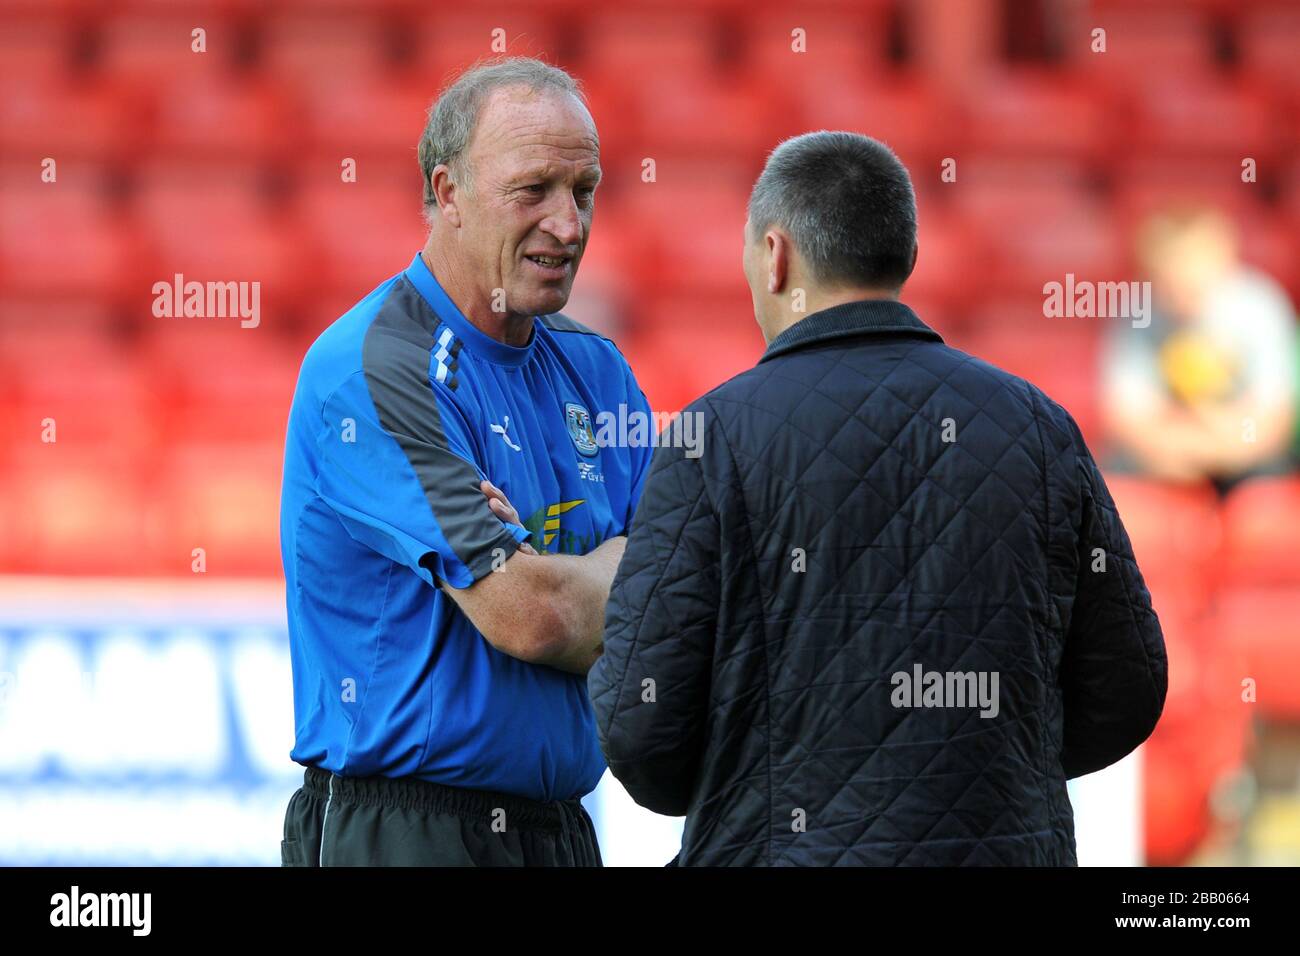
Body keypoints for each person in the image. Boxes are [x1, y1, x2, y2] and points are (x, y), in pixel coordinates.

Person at [589, 131, 1168, 866]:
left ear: (775, 257)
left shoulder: (712, 440)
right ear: (907, 256)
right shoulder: (1040, 427)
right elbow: (1127, 686)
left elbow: (643, 731)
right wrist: (997, 777)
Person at [278, 58, 652, 866]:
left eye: (583, 190)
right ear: (447, 193)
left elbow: (676, 606)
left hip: (563, 827)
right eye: (534, 191)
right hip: (404, 831)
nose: (570, 224)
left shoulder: (599, 371)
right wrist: (614, 565)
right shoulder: (378, 369)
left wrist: (575, 578)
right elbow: (533, 617)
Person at [1102, 205, 1297, 494]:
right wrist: (1179, 453)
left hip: (1245, 460)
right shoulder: (1136, 314)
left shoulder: (1262, 307)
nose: (1183, 295)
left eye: (1193, 280)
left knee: (1270, 485)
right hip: (1165, 457)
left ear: (1225, 262)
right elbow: (1128, 420)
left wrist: (1219, 451)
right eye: (1171, 284)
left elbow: (1273, 423)